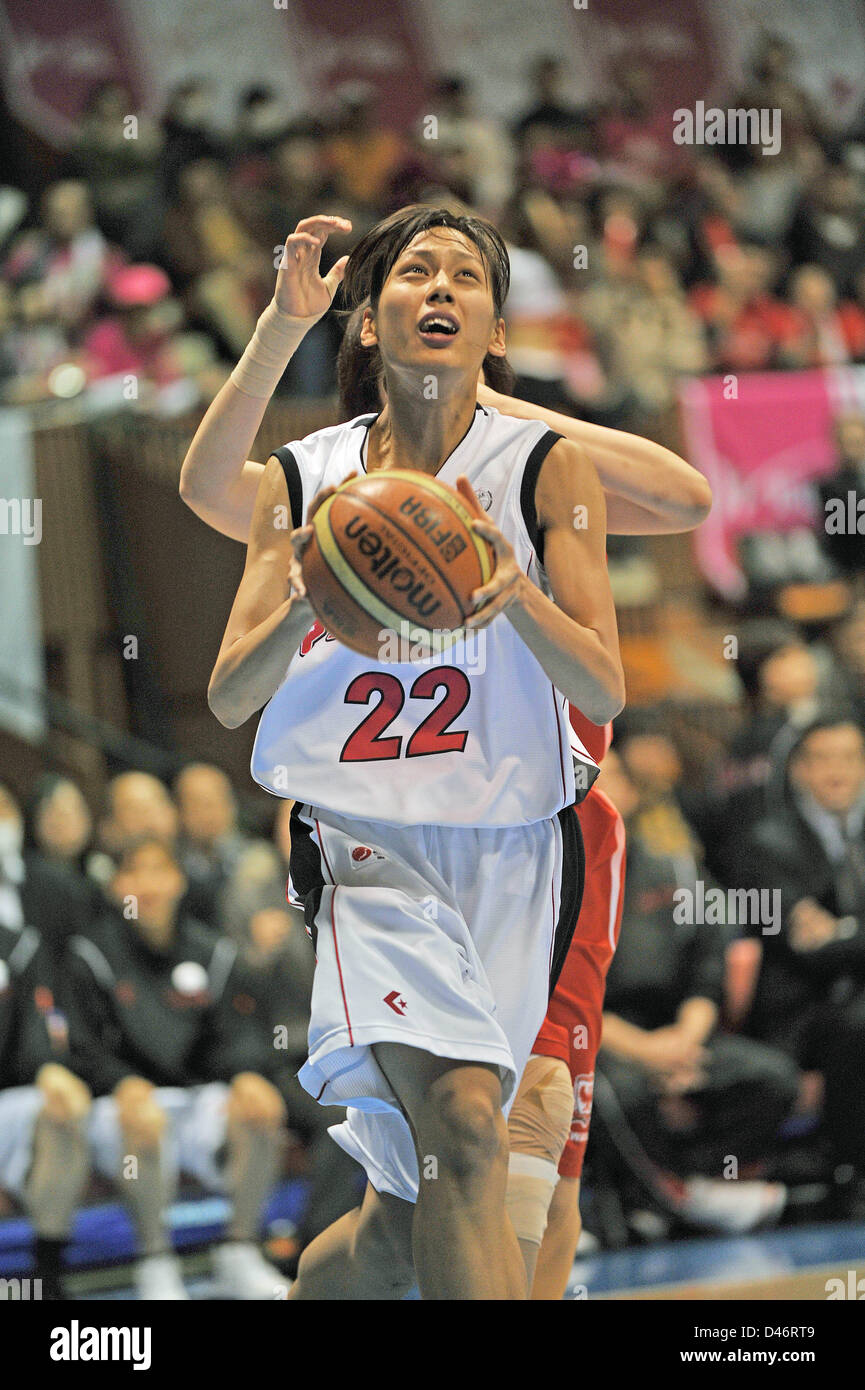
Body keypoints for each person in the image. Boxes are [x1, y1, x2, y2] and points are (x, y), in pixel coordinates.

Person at [181, 208, 710, 1298]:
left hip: (518, 851)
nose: (438, 288)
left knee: (417, 1211)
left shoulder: (543, 468)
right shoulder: (307, 477)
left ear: (496, 326)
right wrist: (299, 604)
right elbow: (229, 697)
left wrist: (511, 594)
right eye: (413, 273)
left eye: (463, 277)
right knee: (471, 1123)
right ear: (367, 321)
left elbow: (605, 684)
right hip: (369, 845)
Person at [64, 835, 288, 1299]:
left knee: (264, 1105)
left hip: (195, 1099)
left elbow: (235, 1037)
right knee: (143, 1119)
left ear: (178, 881)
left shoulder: (212, 952)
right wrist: (121, 1081)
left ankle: (239, 1251)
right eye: (135, 872)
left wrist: (243, 1075)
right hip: (118, 1107)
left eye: (159, 871)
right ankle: (156, 1262)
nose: (147, 885)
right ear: (116, 886)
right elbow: (82, 1048)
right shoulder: (91, 954)